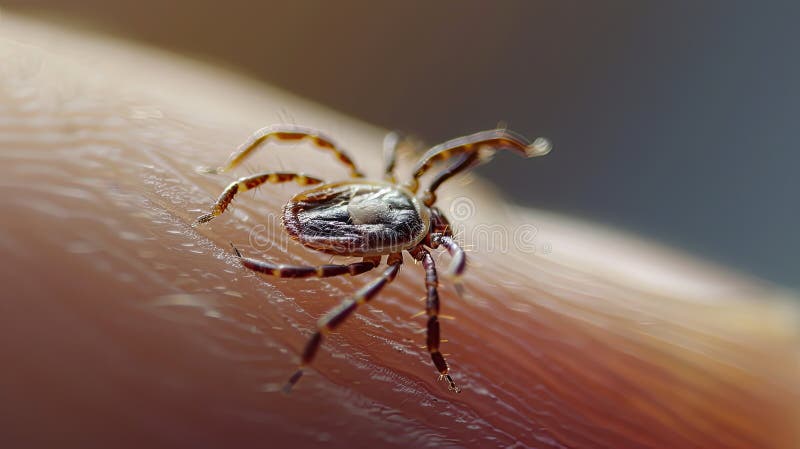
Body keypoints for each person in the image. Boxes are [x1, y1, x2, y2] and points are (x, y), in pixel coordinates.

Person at [1, 14, 797, 449]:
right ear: (423, 205)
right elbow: (429, 297)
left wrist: (260, 242)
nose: (438, 222)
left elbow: (435, 186)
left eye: (433, 226)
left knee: (327, 244)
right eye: (434, 223)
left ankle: (244, 225)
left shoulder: (407, 200)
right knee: (353, 284)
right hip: (352, 209)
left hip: (348, 203)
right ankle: (241, 228)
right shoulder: (410, 233)